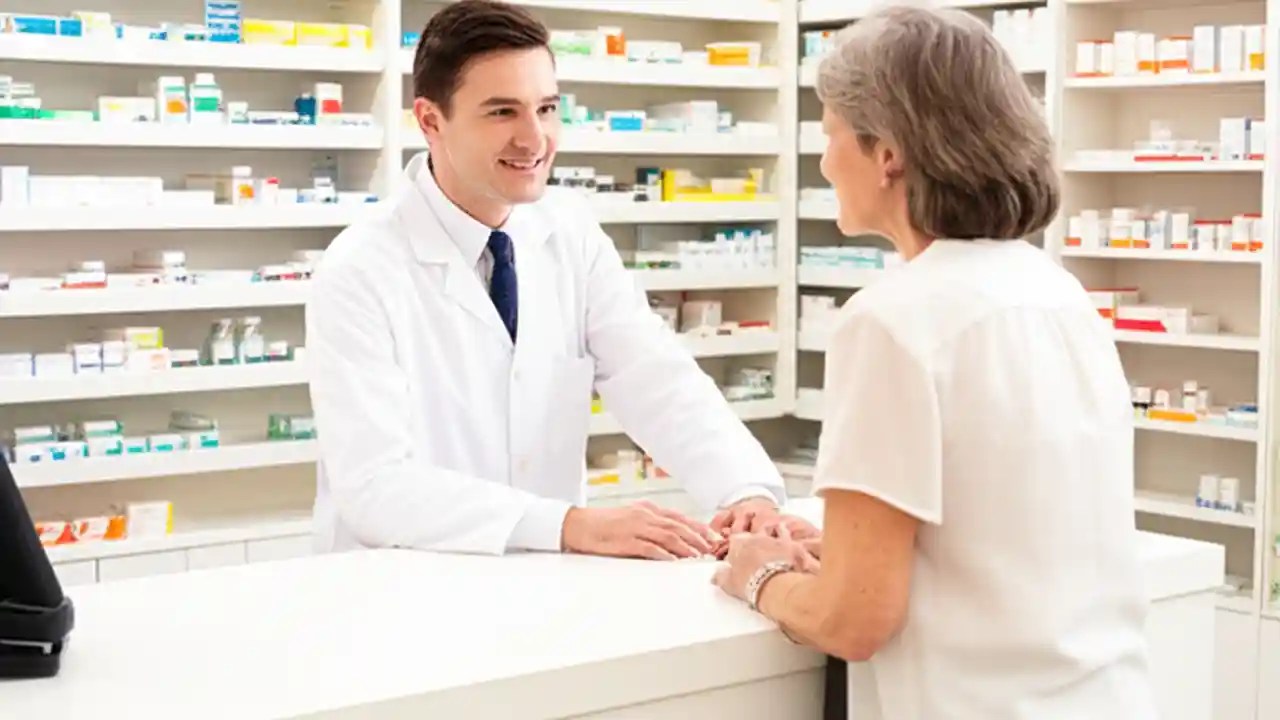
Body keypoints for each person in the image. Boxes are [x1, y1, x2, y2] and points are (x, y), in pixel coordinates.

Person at [714, 6, 1158, 719]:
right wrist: (847, 553)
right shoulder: (1058, 294)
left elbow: (854, 622)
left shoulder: (894, 319)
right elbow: (1010, 539)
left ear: (887, 151)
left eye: (830, 133)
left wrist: (757, 574)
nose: (825, 160)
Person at [306, 0, 813, 560]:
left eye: (546, 108)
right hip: (396, 589)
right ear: (430, 121)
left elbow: (655, 376)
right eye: (502, 112)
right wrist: (569, 525)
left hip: (542, 585)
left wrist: (744, 490)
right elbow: (374, 486)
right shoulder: (359, 268)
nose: (535, 138)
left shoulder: (569, 233)